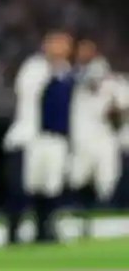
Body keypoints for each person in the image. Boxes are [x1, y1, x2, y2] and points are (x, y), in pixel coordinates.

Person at [2, 29, 73, 245]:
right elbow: (26, 93)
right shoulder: (35, 68)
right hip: (32, 137)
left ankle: (45, 229)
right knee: (24, 187)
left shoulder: (66, 72)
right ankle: (14, 232)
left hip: (55, 138)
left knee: (50, 186)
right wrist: (49, 71)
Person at [68, 39, 121, 239]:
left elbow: (117, 106)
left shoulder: (108, 79)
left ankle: (103, 215)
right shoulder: (72, 76)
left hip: (102, 135)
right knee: (78, 176)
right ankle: (81, 216)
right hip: (81, 135)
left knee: (106, 177)